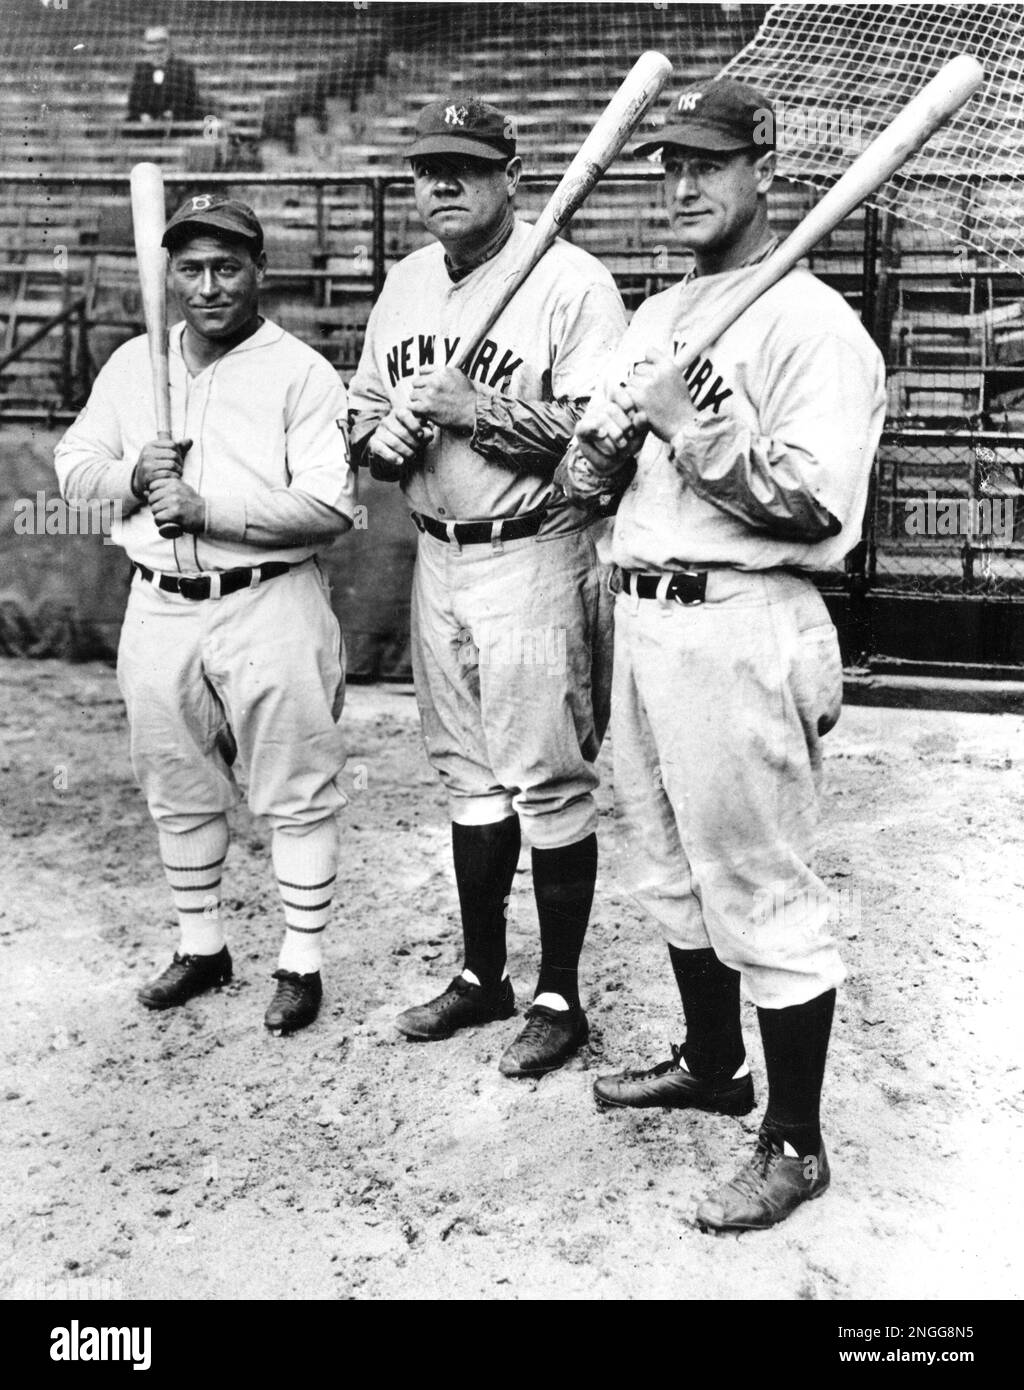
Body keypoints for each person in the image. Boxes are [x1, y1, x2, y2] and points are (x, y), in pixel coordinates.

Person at [565, 78, 886, 1230]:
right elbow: (587, 474)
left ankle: (794, 1143)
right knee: (668, 865)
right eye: (672, 164)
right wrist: (601, 451)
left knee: (761, 886)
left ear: (764, 171)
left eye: (708, 162)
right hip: (643, 613)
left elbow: (814, 503)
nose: (683, 183)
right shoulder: (660, 313)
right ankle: (713, 1063)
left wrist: (684, 426)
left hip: (743, 617)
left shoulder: (813, 324)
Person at [348, 97, 627, 1077]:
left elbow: (606, 437)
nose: (442, 184)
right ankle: (482, 975)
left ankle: (559, 996)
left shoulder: (571, 282)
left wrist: (481, 409)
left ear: (514, 175)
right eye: (428, 168)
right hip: (436, 553)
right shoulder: (405, 283)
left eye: (465, 166)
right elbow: (361, 411)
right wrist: (378, 440)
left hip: (533, 551)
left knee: (546, 776)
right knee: (467, 775)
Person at [54, 195, 356, 1036]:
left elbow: (330, 505)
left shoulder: (302, 371)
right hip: (159, 603)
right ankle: (202, 947)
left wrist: (207, 509)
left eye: (227, 266)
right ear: (170, 276)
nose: (209, 285)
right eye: (190, 268)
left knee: (297, 789)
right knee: (176, 784)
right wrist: (130, 477)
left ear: (260, 271)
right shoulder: (131, 364)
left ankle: (301, 962)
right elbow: (74, 467)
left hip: (271, 599)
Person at [126, 25, 202, 125]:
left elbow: (190, 99)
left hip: (177, 122)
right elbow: (134, 100)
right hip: (146, 125)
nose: (156, 55)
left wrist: (172, 113)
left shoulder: (183, 68)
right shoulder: (141, 71)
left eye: (160, 50)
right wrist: (143, 114)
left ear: (168, 48)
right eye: (152, 51)